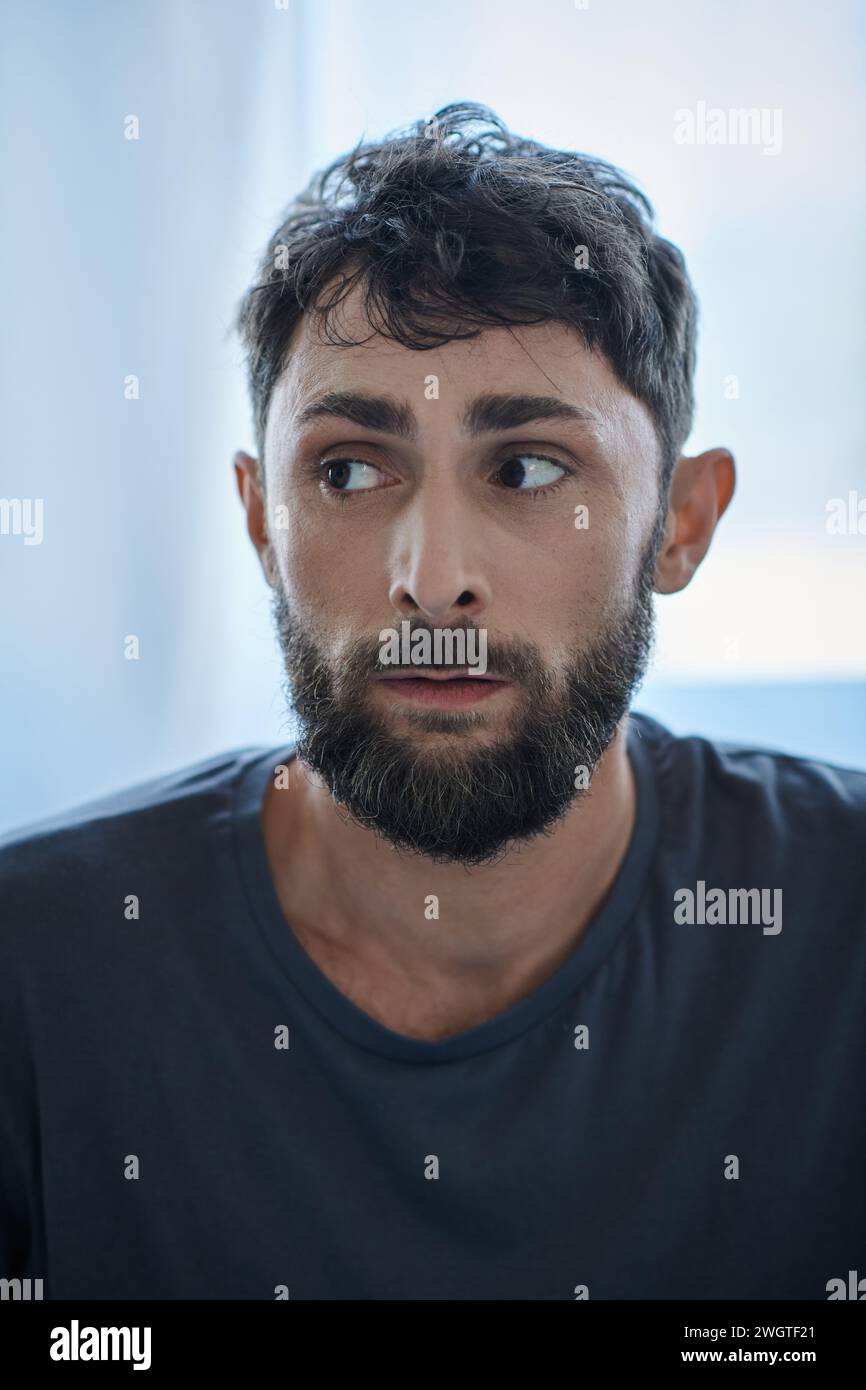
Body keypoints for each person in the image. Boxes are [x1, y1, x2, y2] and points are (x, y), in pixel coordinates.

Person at [1, 103, 863, 1301]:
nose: (429, 573)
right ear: (261, 519)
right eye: (348, 470)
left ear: (679, 522)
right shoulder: (35, 969)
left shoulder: (836, 924)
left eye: (524, 469)